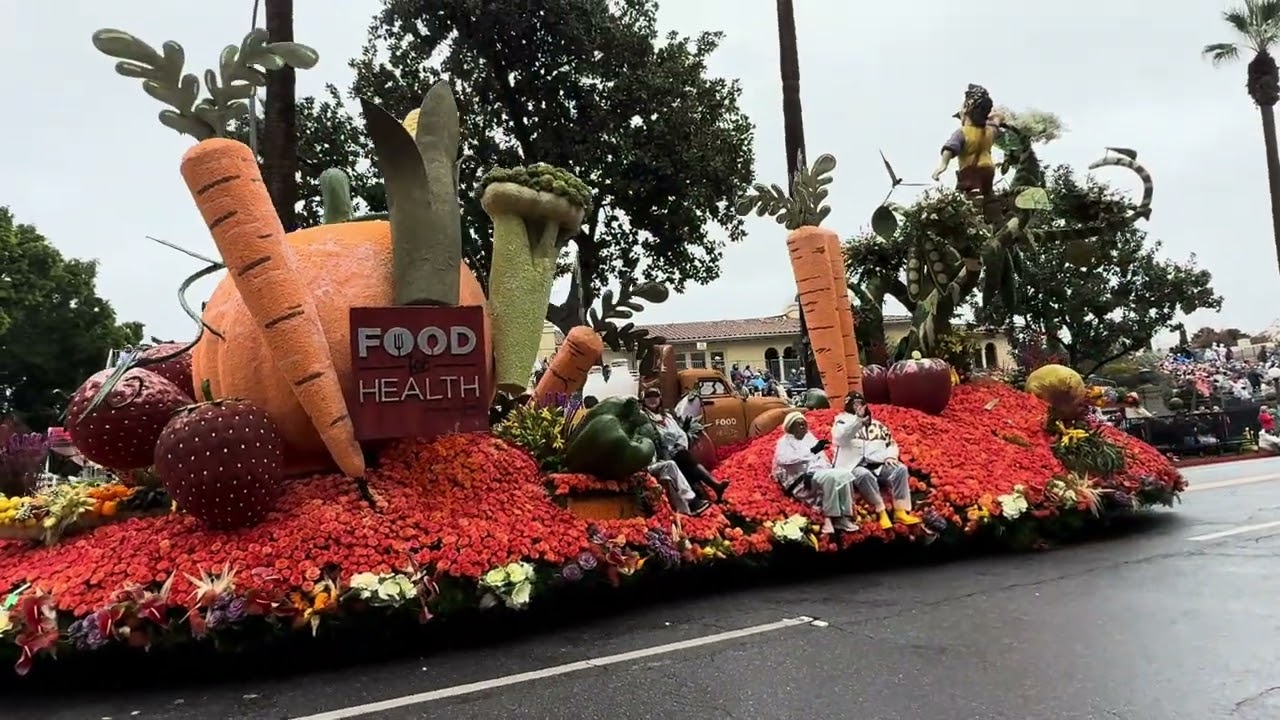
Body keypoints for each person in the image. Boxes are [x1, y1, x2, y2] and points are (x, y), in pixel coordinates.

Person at [831, 393, 923, 530]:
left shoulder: (878, 425)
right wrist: (858, 421)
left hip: (878, 464)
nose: (857, 406)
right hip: (853, 466)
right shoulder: (841, 421)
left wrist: (890, 456)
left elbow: (890, 443)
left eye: (860, 403)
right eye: (854, 403)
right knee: (863, 475)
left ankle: (900, 511)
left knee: (900, 469)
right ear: (847, 405)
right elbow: (841, 438)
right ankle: (881, 512)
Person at [772, 411, 859, 534]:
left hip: (817, 473)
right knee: (831, 478)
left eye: (804, 424)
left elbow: (823, 458)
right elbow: (784, 460)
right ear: (790, 427)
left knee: (844, 475)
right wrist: (807, 458)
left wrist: (816, 467)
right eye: (799, 424)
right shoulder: (784, 442)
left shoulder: (810, 438)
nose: (802, 426)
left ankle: (844, 516)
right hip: (800, 481)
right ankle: (831, 517)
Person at [641, 388, 727, 503]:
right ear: (644, 400)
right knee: (684, 458)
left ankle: (708, 491)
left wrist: (680, 445)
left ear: (660, 399)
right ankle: (712, 487)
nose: (652, 400)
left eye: (655, 396)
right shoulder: (644, 419)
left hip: (677, 452)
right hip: (661, 455)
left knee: (685, 457)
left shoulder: (667, 416)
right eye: (649, 397)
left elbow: (680, 434)